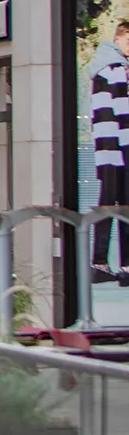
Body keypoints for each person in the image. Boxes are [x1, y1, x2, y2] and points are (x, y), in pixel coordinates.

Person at [89, 20, 129, 278]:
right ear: (118, 38)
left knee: (111, 203)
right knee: (121, 204)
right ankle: (119, 265)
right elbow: (121, 112)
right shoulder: (114, 68)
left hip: (108, 148)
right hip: (119, 147)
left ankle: (101, 263)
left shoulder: (102, 68)